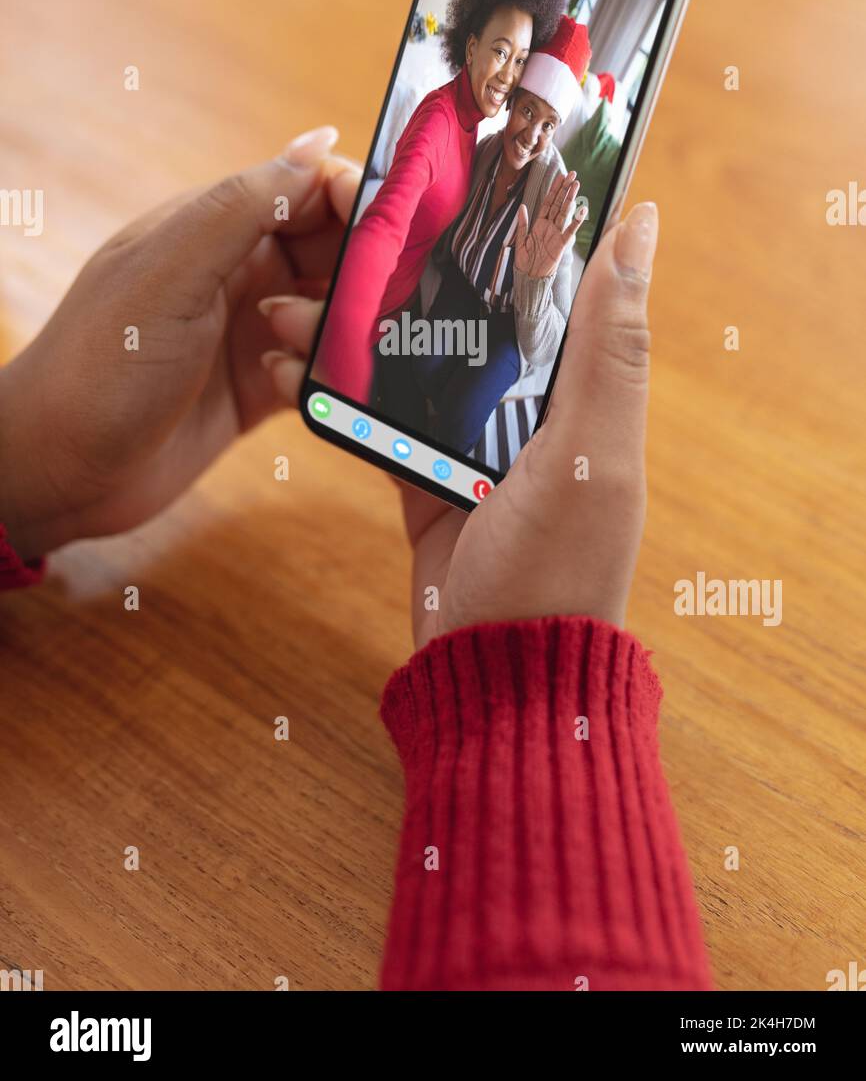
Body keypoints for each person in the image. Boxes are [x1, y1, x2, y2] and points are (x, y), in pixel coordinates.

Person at [0, 129, 712, 991]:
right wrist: (529, 686)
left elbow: (531, 342)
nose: (523, 127)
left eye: (534, 113)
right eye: (512, 97)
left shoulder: (546, 218)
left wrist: (23, 472)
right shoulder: (470, 162)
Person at [313, 0, 566, 408]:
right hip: (374, 321)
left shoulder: (477, 126)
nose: (509, 75)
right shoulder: (438, 123)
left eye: (521, 60)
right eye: (499, 51)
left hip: (405, 308)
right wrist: (342, 343)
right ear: (471, 48)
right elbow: (383, 226)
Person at [414, 14, 592, 455]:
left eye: (548, 124)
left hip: (507, 326)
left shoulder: (556, 200)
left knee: (458, 423)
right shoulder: (487, 150)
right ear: (511, 102)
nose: (532, 135)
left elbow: (548, 346)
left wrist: (534, 281)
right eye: (528, 111)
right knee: (421, 367)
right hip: (462, 286)